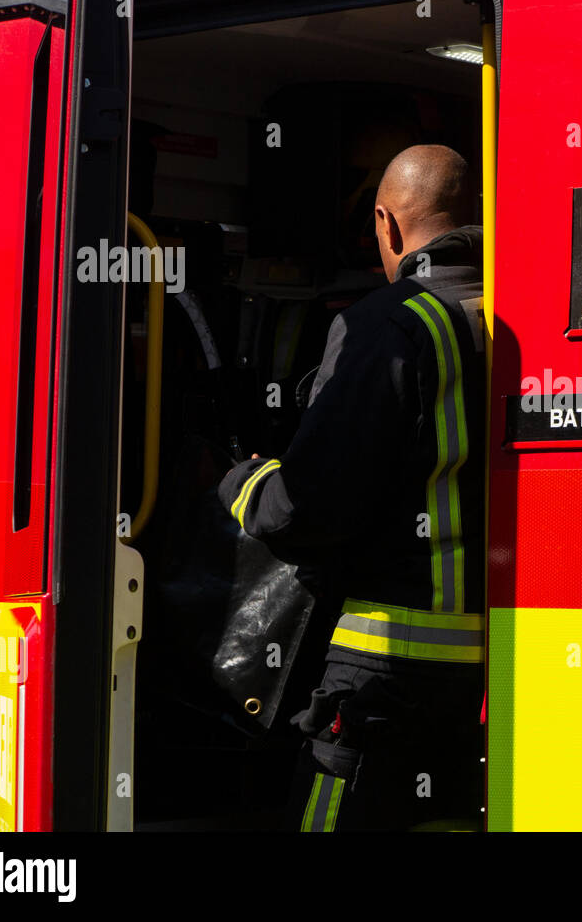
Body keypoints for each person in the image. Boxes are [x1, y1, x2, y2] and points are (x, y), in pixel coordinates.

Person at [217, 144, 487, 831]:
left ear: (387, 225)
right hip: (500, 673)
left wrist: (244, 483)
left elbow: (306, 508)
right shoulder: (526, 316)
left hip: (384, 676)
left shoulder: (385, 324)